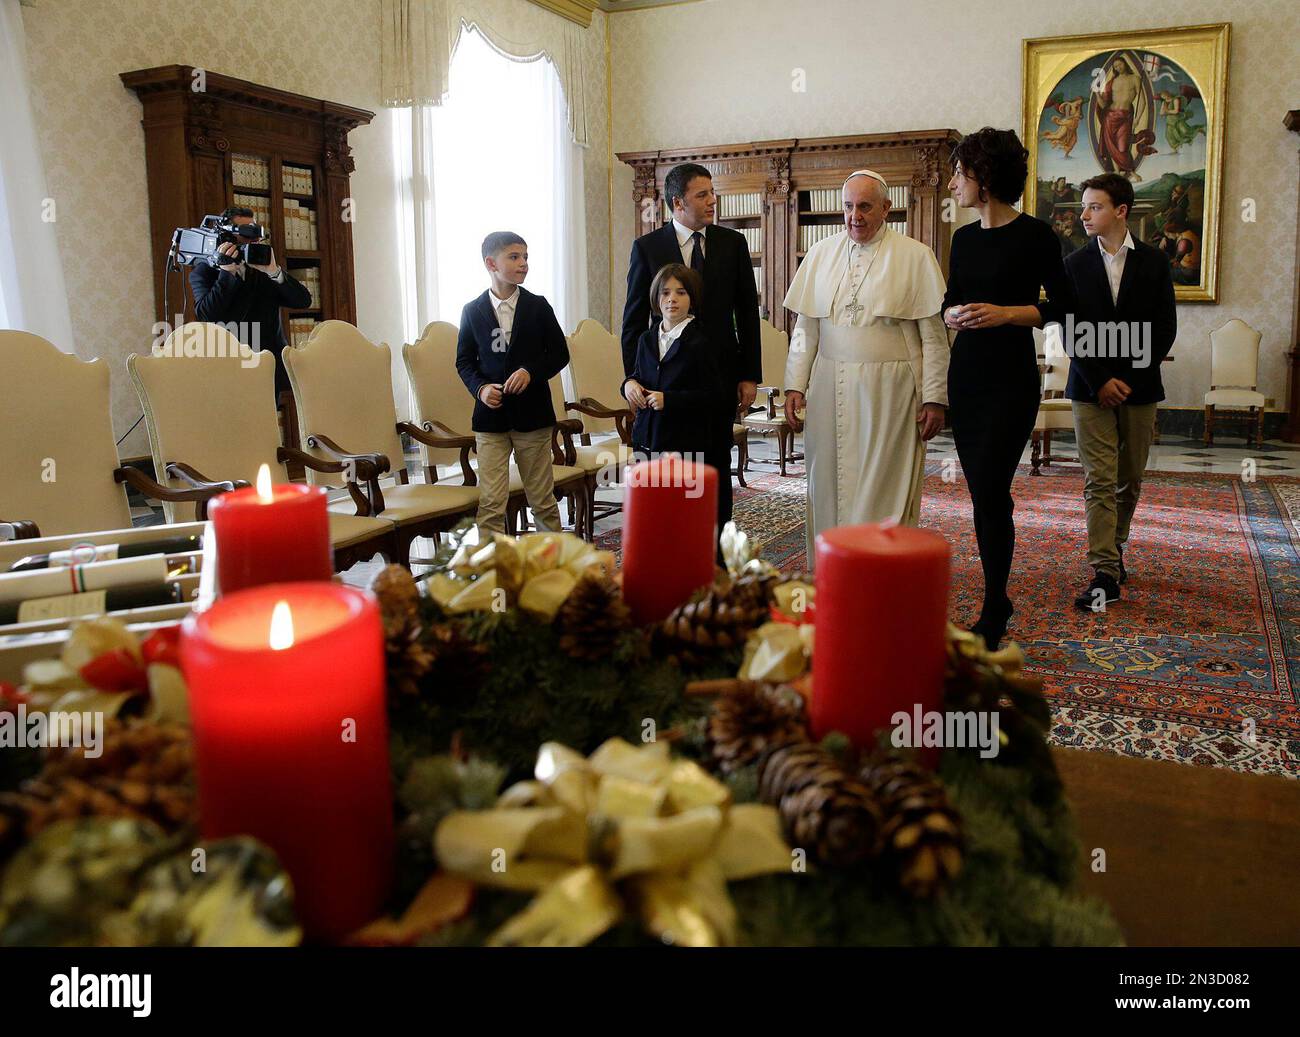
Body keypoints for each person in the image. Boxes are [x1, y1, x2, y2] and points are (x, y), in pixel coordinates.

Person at [942, 128, 1074, 649]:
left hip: (1011, 380)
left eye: (960, 172)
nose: (954, 182)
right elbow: (950, 301)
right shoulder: (963, 238)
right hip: (967, 377)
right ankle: (997, 596)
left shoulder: (1037, 236)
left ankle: (995, 602)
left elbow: (1063, 305)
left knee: (994, 493)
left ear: (985, 177)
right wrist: (952, 312)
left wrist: (1007, 314)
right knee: (982, 494)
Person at [782, 169, 950, 563]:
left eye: (864, 206)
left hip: (890, 391)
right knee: (826, 481)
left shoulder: (915, 256)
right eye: (847, 207)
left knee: (882, 482)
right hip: (827, 384)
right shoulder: (821, 254)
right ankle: (831, 565)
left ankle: (879, 569)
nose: (854, 216)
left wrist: (935, 397)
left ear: (886, 209)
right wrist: (794, 385)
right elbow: (806, 329)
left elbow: (933, 337)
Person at [622, 162, 761, 533]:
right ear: (677, 203)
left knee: (714, 468)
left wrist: (750, 375)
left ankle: (716, 552)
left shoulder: (733, 244)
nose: (713, 201)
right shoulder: (647, 248)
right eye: (702, 195)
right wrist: (630, 380)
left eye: (712, 192)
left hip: (718, 384)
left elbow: (747, 313)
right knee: (668, 477)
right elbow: (633, 323)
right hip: (664, 385)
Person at [1064, 173, 1176, 610]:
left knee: (1129, 478)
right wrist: (1100, 380)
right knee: (1099, 479)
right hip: (1088, 388)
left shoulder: (1153, 261)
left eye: (1094, 207)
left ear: (1121, 211)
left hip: (1140, 386)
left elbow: (1164, 327)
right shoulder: (1072, 264)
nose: (1085, 214)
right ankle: (1105, 570)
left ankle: (1116, 547)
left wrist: (1127, 376)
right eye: (1084, 206)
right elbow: (1070, 328)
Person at [455, 231, 569, 535]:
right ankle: (489, 569)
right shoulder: (471, 310)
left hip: (533, 417)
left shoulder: (538, 306)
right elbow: (464, 361)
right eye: (514, 257)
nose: (523, 264)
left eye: (526, 257)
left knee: (542, 499)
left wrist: (530, 372)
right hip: (491, 420)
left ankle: (554, 564)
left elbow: (559, 354)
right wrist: (481, 389)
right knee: (492, 501)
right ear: (491, 263)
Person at [189, 206, 311, 393]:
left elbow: (303, 301)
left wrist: (274, 272)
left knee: (269, 423)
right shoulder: (204, 272)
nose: (254, 239)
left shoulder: (262, 267)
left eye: (256, 232)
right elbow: (207, 314)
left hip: (269, 369)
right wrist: (227, 273)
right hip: (229, 370)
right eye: (246, 233)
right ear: (227, 237)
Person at [622, 264, 723, 463]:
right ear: (656, 298)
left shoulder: (701, 342)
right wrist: (628, 384)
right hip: (647, 439)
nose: (672, 299)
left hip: (685, 442)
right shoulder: (645, 339)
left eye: (681, 292)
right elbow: (639, 375)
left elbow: (713, 396)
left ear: (692, 298)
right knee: (650, 493)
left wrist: (669, 400)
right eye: (665, 292)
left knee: (680, 494)